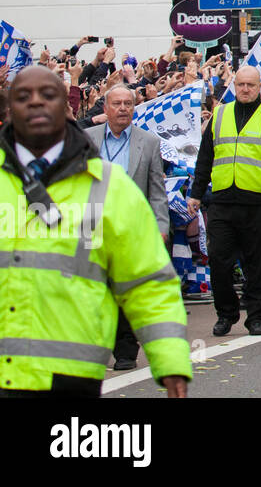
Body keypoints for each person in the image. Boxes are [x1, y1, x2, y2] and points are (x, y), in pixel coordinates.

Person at [0, 67, 191, 396]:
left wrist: (171, 361)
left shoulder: (109, 186)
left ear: (67, 109)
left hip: (68, 376)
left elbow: (148, 283)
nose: (35, 103)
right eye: (23, 96)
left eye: (47, 96)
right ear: (8, 110)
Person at [188, 65, 261, 337]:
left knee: (258, 264)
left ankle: (257, 317)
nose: (245, 89)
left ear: (259, 86)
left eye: (251, 85)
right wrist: (196, 193)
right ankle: (226, 313)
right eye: (240, 85)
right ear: (234, 86)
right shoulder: (220, 114)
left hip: (260, 202)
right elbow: (205, 158)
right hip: (223, 201)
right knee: (219, 261)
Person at [84, 85, 169, 370]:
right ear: (105, 109)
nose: (122, 109)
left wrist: (160, 226)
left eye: (128, 104)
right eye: (117, 104)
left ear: (134, 108)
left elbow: (157, 191)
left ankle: (125, 351)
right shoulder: (86, 140)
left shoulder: (149, 142)